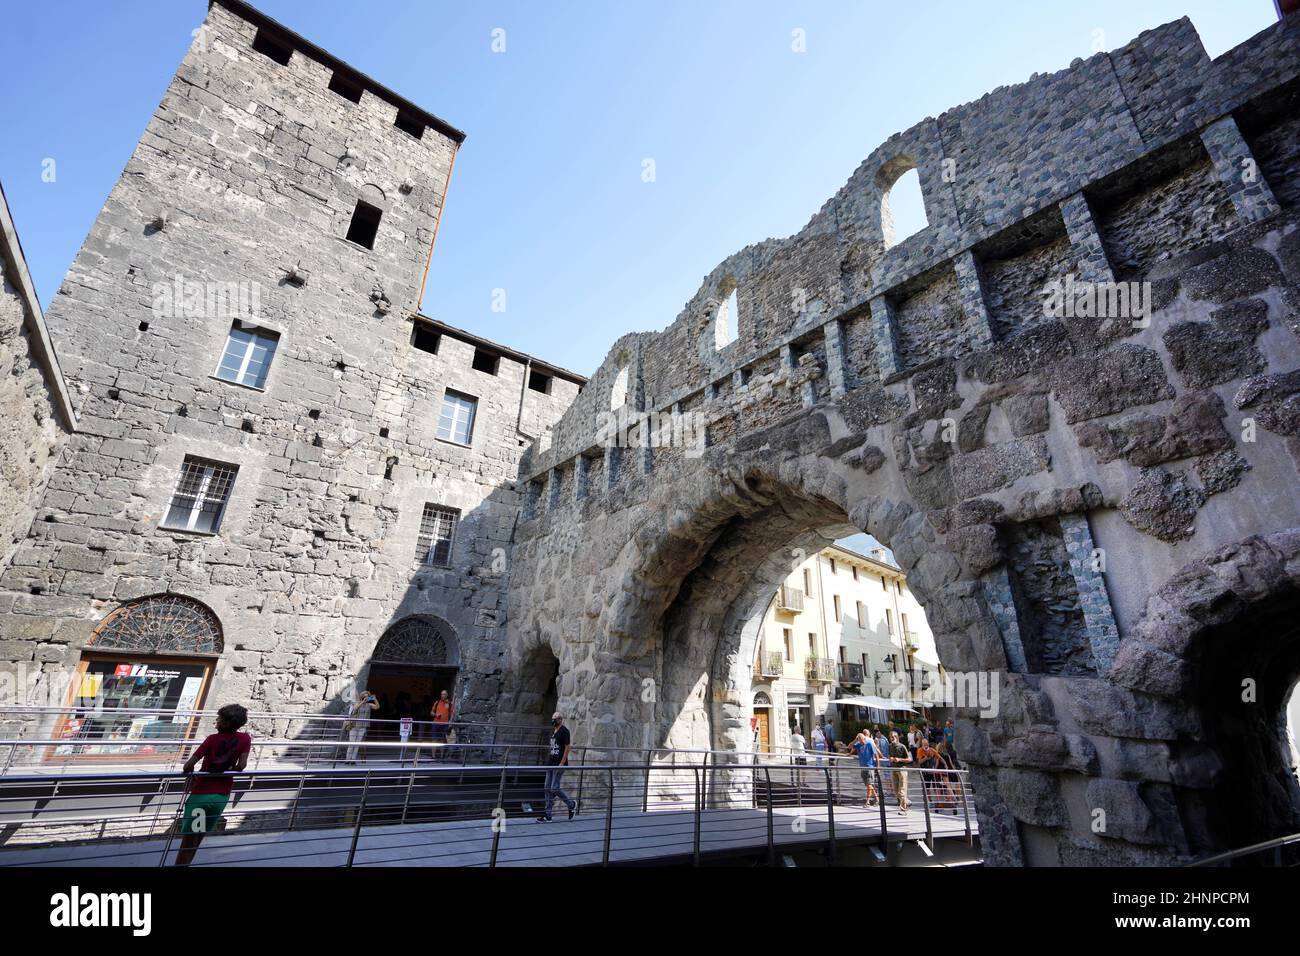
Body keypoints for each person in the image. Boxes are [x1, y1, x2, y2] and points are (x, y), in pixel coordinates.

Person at [175, 703, 251, 866]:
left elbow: (188, 766)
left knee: (188, 843)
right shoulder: (245, 739)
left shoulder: (211, 740)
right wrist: (230, 767)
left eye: (219, 718)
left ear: (223, 722)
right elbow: (242, 765)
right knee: (198, 838)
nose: (216, 720)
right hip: (220, 797)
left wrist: (194, 773)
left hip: (201, 795)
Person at [538, 711, 578, 822]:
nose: (553, 721)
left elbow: (567, 747)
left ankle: (571, 804)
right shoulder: (554, 731)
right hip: (551, 762)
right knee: (547, 787)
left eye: (555, 719)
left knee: (554, 788)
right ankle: (548, 814)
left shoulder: (564, 731)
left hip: (559, 763)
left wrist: (562, 761)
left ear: (560, 719)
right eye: (553, 719)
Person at [343, 689, 378, 762]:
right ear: (361, 697)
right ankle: (347, 759)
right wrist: (362, 702)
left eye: (367, 696)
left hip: (363, 726)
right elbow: (355, 709)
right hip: (354, 726)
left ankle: (353, 760)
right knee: (351, 743)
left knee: (357, 744)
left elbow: (377, 707)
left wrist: (375, 699)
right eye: (364, 697)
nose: (366, 698)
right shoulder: (357, 703)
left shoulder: (369, 705)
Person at [851, 730, 879, 808]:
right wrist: (855, 740)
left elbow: (876, 755)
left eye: (863, 739)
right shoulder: (858, 745)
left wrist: (878, 767)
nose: (862, 741)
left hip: (870, 767)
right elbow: (849, 746)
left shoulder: (869, 744)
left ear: (865, 738)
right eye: (860, 740)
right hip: (862, 767)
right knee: (868, 785)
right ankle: (877, 799)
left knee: (869, 785)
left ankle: (867, 802)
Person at [888, 730, 912, 814]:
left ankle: (903, 810)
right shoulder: (890, 746)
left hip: (902, 769)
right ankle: (907, 801)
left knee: (902, 790)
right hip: (893, 769)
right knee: (895, 791)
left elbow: (909, 759)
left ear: (897, 737)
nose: (892, 738)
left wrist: (899, 759)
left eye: (894, 736)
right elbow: (889, 756)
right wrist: (890, 758)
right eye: (891, 737)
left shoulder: (902, 746)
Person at [430, 689, 453, 760]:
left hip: (444, 724)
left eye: (444, 694)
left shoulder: (449, 704)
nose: (442, 695)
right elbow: (431, 712)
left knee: (442, 740)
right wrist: (436, 715)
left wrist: (450, 722)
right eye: (442, 694)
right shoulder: (437, 702)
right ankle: (433, 756)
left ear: (447, 695)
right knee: (434, 740)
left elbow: (452, 714)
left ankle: (441, 756)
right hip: (436, 724)